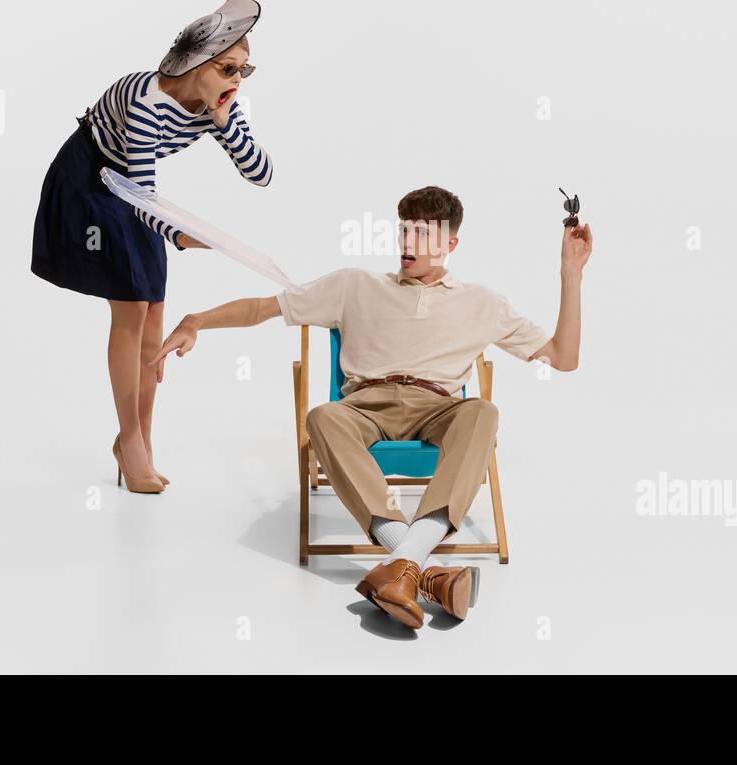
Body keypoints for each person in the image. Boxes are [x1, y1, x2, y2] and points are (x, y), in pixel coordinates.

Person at [148, 186, 592, 628]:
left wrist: (570, 274)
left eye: (424, 233)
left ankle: (404, 566)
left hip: (437, 407)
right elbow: (264, 308)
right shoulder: (354, 285)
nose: (408, 242)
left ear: (450, 244)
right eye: (404, 230)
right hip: (363, 405)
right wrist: (196, 321)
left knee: (482, 413)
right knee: (323, 416)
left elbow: (563, 357)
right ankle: (426, 573)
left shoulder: (481, 302)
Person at [31, 0, 272, 494]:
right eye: (228, 68)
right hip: (93, 178)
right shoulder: (148, 102)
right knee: (131, 307)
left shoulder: (217, 106)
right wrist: (180, 236)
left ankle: (140, 440)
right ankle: (130, 440)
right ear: (196, 64)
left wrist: (227, 124)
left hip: (135, 190)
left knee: (156, 311)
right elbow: (138, 192)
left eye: (244, 69)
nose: (237, 80)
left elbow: (261, 174)